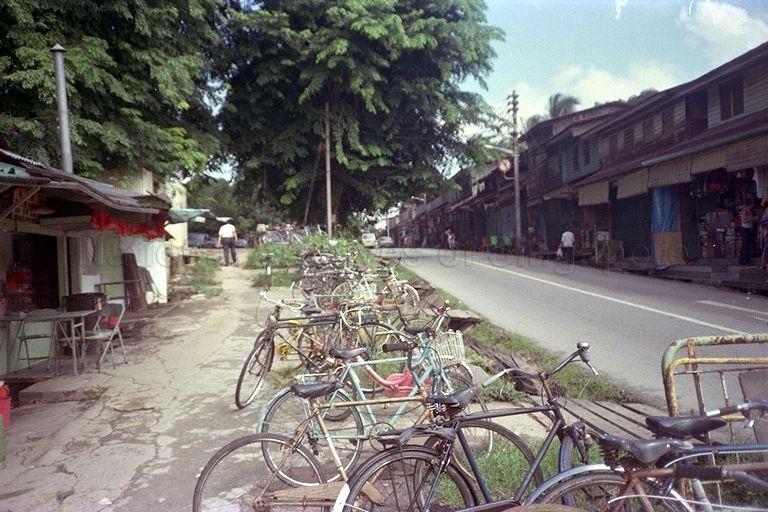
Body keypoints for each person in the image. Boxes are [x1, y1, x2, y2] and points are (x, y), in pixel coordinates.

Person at [738, 199, 758, 265]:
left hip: (749, 229)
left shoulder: (750, 211)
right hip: (745, 229)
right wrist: (753, 219)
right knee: (745, 245)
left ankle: (746, 259)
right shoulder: (744, 211)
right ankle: (744, 260)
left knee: (748, 245)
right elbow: (744, 220)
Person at [760, 198, 768, 270]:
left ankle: (763, 265)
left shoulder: (764, 217)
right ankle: (763, 264)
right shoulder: (765, 218)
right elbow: (763, 230)